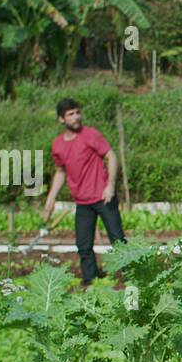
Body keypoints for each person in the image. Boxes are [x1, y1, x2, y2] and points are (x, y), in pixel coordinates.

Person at [41, 98, 126, 287]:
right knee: (83, 245)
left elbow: (111, 156)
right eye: (71, 114)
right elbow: (61, 171)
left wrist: (110, 185)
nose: (76, 117)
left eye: (78, 112)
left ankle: (132, 277)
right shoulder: (58, 145)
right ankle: (90, 281)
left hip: (104, 197)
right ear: (61, 120)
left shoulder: (90, 135)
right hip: (82, 201)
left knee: (118, 240)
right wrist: (51, 199)